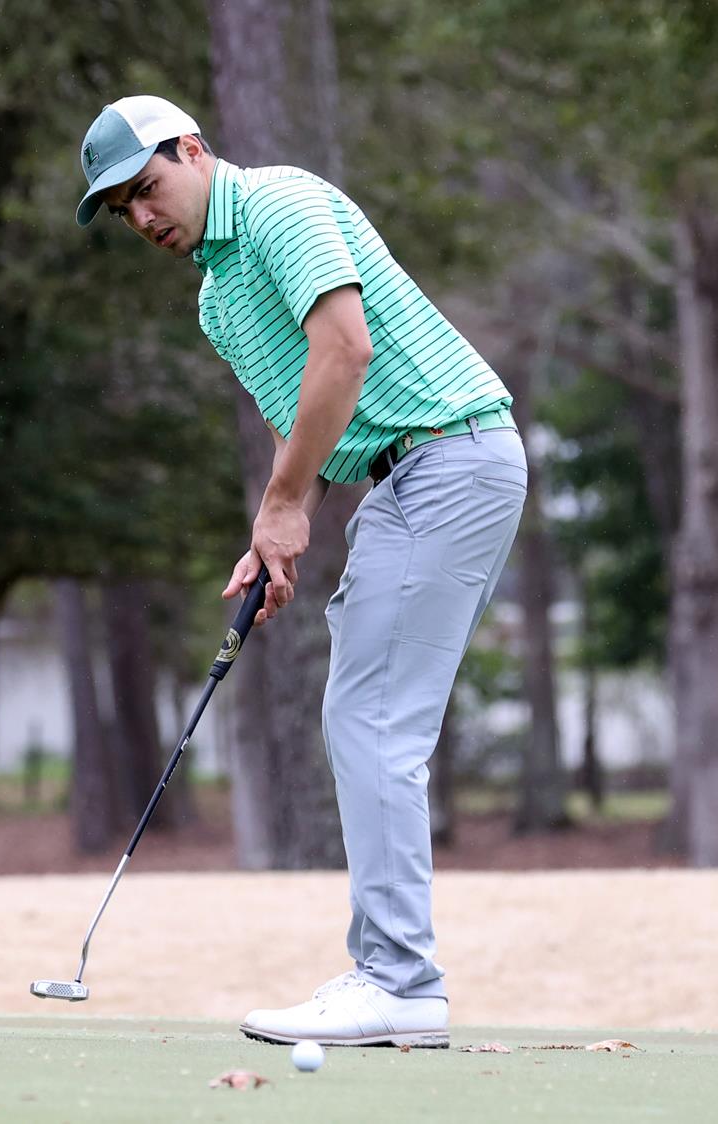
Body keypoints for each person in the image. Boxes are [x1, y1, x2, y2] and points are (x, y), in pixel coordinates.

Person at [74, 94, 527, 1049]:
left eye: (149, 189)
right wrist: (281, 528)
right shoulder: (216, 298)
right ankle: (393, 976)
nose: (145, 218)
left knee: (373, 720)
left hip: (451, 454)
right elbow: (313, 425)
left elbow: (347, 349)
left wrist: (282, 502)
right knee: (360, 716)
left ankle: (400, 980)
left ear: (192, 150)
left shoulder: (279, 201)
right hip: (404, 478)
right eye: (125, 211)